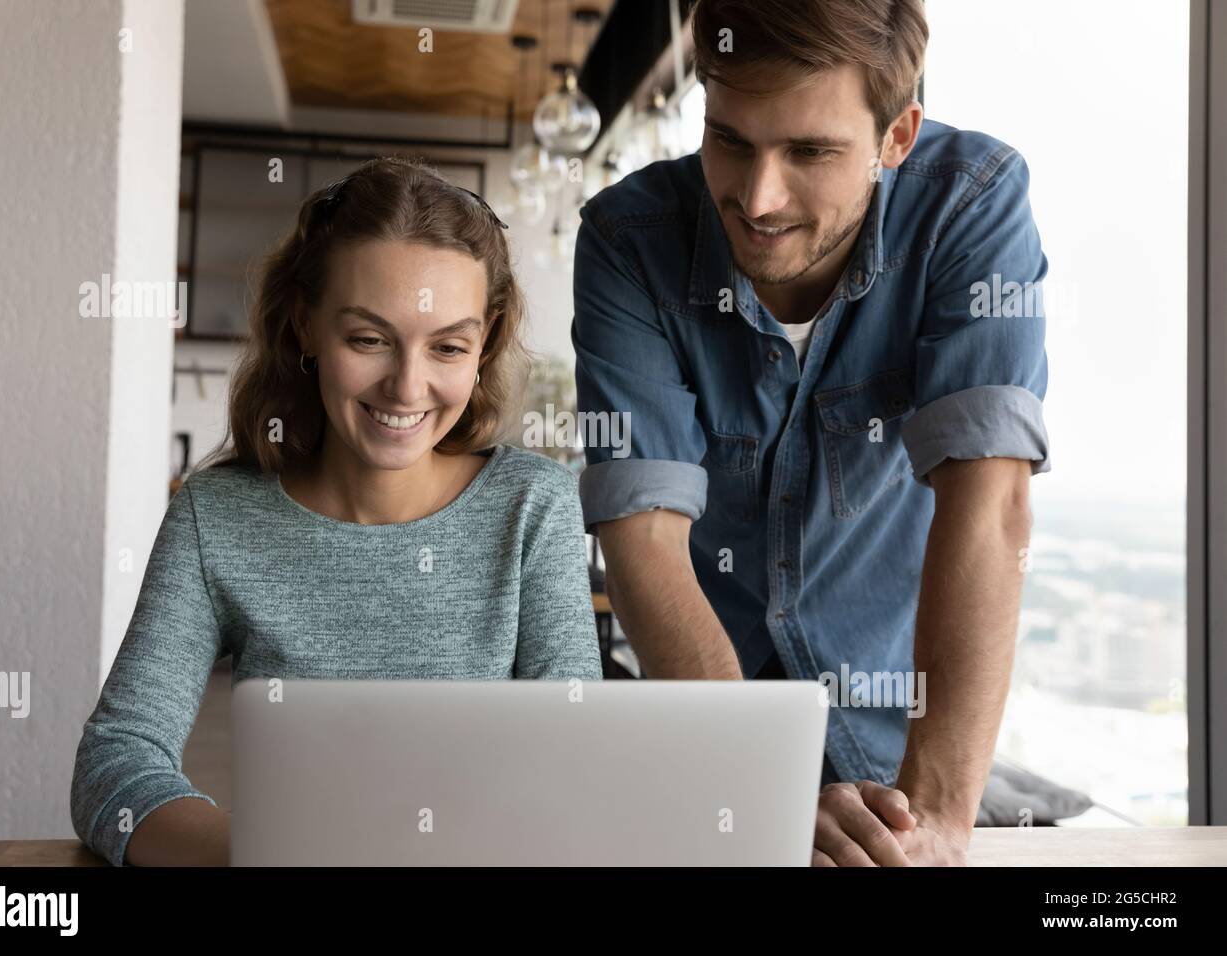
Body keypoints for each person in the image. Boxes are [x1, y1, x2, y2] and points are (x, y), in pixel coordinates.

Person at [573, 0, 1049, 866]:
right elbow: (641, 534)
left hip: (909, 749)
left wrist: (932, 824)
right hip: (713, 745)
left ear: (895, 137)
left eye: (810, 152)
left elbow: (989, 506)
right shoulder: (626, 238)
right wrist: (765, 792)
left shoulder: (968, 204)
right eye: (731, 139)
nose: (757, 199)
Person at [72, 157, 602, 867]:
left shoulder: (533, 508)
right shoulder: (218, 518)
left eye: (448, 346)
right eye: (368, 339)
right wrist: (262, 854)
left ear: (484, 346)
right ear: (304, 327)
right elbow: (116, 761)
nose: (407, 386)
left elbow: (577, 761)